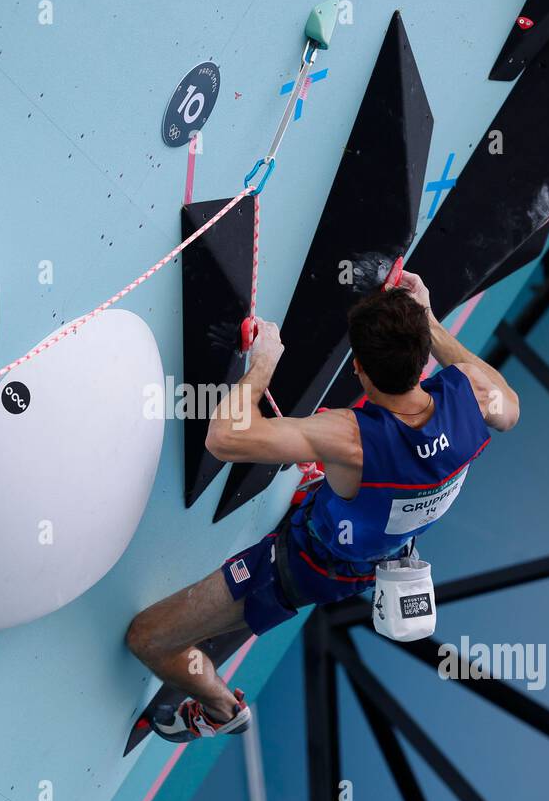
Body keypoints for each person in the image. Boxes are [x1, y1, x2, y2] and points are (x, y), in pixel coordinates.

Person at [126, 272, 520, 742]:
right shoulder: (474, 399)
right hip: (381, 538)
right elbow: (509, 406)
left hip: (303, 564)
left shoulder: (348, 436)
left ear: (360, 370)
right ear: (422, 360)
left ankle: (219, 708)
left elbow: (225, 437)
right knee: (356, 484)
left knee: (148, 638)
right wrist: (428, 319)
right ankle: (335, 497)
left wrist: (263, 364)